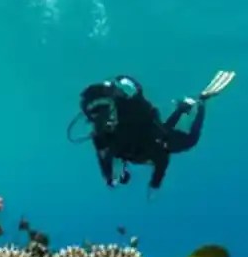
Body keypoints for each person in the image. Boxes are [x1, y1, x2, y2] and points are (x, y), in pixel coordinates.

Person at [74, 70, 234, 190]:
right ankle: (194, 103)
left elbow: (160, 155)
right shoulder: (109, 141)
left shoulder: (109, 141)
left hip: (146, 133)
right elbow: (157, 139)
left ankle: (200, 102)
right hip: (146, 131)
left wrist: (155, 183)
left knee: (184, 139)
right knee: (165, 135)